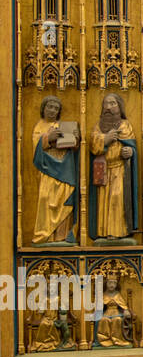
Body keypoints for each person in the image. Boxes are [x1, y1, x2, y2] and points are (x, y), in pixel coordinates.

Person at [89, 93, 138, 241]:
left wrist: (130, 152)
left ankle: (118, 231)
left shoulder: (125, 125)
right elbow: (92, 145)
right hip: (103, 169)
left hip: (119, 169)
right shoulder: (99, 125)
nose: (109, 107)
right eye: (106, 104)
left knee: (117, 198)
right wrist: (105, 139)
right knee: (103, 202)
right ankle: (103, 232)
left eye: (113, 104)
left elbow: (132, 146)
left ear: (119, 107)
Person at [31, 95, 78, 245]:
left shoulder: (62, 126)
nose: (52, 110)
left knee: (63, 200)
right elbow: (36, 147)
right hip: (47, 170)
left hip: (64, 169)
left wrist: (75, 139)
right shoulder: (39, 126)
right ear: (43, 108)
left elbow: (73, 148)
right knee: (46, 199)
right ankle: (45, 236)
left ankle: (61, 236)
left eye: (56, 108)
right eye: (49, 107)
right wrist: (48, 138)